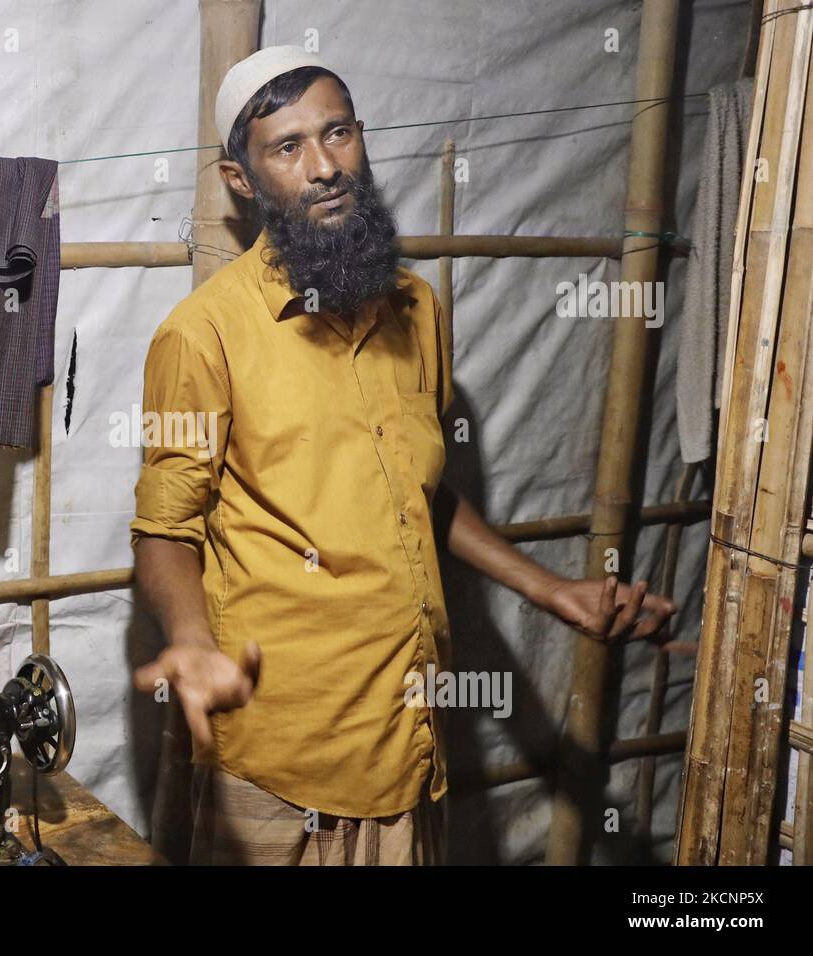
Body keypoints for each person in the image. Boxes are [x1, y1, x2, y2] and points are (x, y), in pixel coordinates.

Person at [130, 47, 677, 866]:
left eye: (338, 133)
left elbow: (418, 491)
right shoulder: (202, 335)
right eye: (287, 148)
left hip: (407, 731)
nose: (323, 168)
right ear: (241, 180)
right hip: (285, 750)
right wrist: (191, 640)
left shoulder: (415, 308)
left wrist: (556, 590)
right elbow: (164, 530)